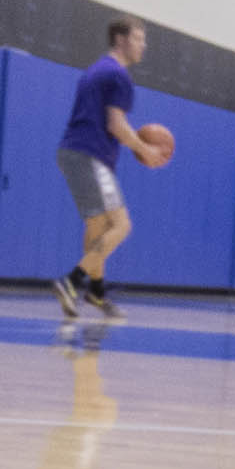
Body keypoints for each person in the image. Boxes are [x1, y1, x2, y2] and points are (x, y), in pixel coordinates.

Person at [52, 17, 165, 318]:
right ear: (120, 39)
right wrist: (146, 150)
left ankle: (97, 292)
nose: (144, 45)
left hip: (72, 152)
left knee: (98, 227)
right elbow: (116, 125)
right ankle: (72, 281)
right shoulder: (119, 76)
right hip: (90, 156)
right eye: (139, 38)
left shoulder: (95, 70)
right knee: (121, 225)